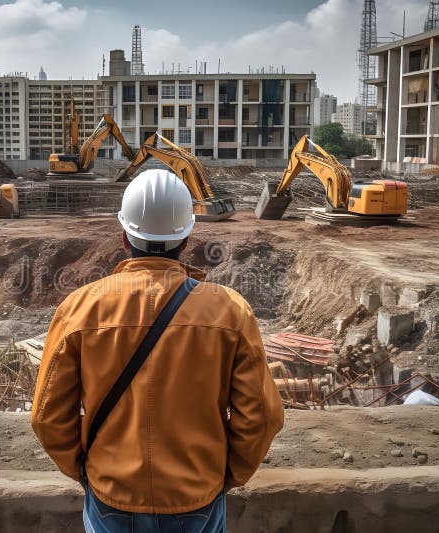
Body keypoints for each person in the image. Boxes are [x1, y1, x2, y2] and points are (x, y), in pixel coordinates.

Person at [31, 169, 283, 532]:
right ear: (185, 240)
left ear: (124, 235)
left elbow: (46, 416)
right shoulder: (230, 311)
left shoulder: (80, 309)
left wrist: (87, 470)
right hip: (198, 497)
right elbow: (261, 417)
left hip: (111, 497)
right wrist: (225, 476)